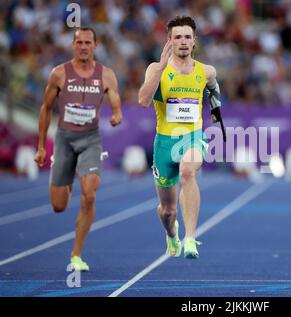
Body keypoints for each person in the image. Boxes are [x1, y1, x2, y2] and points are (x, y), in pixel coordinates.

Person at [34, 27, 123, 271]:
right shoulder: (59, 74)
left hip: (90, 139)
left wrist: (116, 114)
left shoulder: (106, 75)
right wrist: (41, 147)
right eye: (79, 42)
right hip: (65, 139)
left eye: (88, 43)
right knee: (58, 206)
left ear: (95, 45)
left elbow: (116, 101)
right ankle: (68, 172)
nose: (84, 47)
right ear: (73, 45)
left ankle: (76, 255)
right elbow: (46, 109)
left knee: (90, 194)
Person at [138, 16, 223, 259]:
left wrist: (216, 109)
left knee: (188, 172)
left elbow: (214, 88)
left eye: (187, 37)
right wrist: (162, 67)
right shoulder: (156, 69)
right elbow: (143, 101)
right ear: (169, 41)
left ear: (194, 41)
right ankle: (172, 235)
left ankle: (190, 238)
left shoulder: (206, 71)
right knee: (168, 211)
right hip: (164, 143)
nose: (183, 42)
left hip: (193, 137)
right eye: (178, 37)